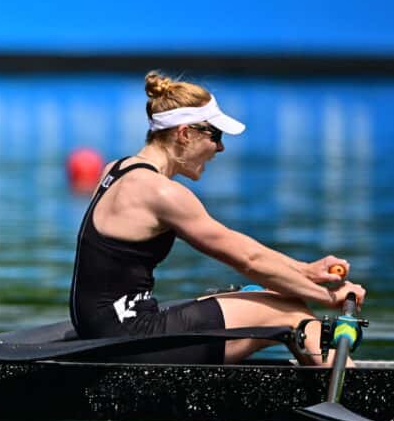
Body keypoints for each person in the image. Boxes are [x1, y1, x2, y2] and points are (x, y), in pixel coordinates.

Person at [68, 71, 366, 366]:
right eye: (216, 136)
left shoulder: (117, 168)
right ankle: (351, 388)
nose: (220, 148)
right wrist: (328, 297)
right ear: (185, 133)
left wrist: (306, 271)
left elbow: (246, 250)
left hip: (107, 328)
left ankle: (327, 375)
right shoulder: (161, 193)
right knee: (290, 312)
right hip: (126, 337)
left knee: (264, 296)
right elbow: (248, 260)